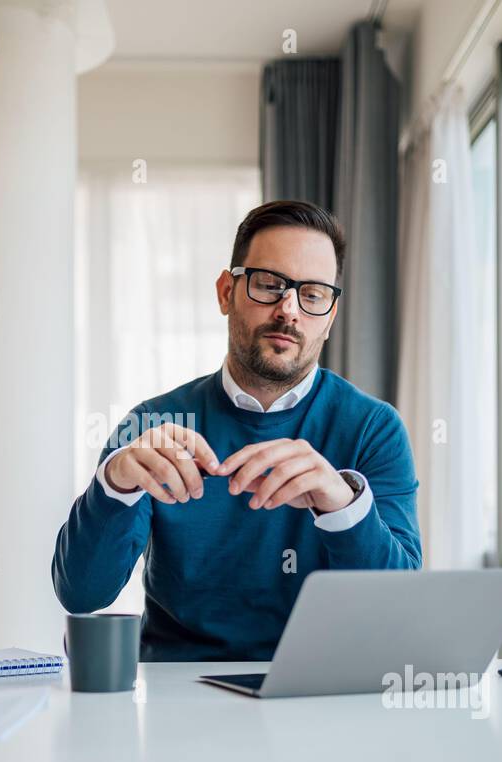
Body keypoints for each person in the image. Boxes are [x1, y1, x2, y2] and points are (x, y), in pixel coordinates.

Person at [52, 199, 421, 661]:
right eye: (270, 285)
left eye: (313, 295)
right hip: (180, 700)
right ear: (227, 291)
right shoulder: (152, 426)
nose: (289, 310)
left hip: (322, 697)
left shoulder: (373, 428)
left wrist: (341, 503)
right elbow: (81, 594)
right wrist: (115, 484)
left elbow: (397, 609)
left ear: (330, 317)